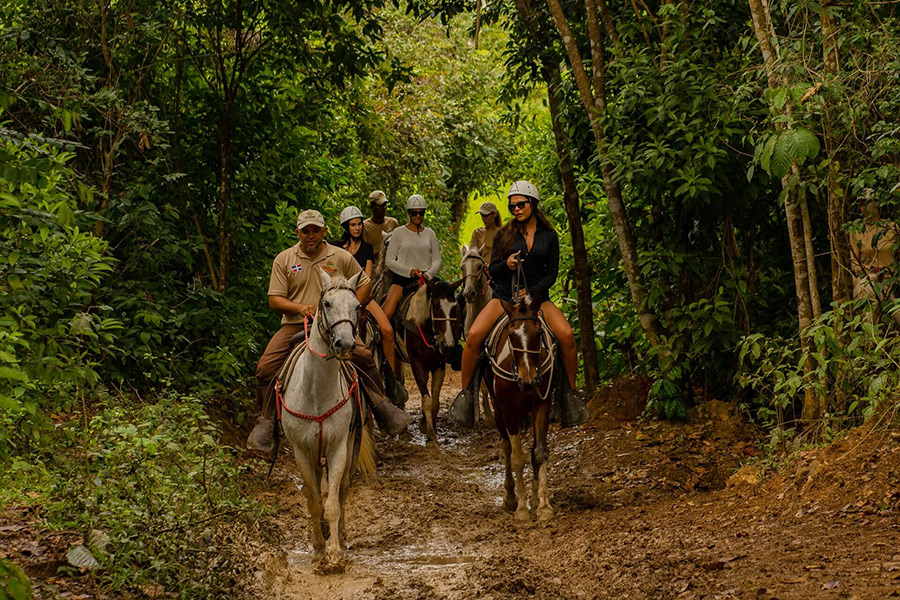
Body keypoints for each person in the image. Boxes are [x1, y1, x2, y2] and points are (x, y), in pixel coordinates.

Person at [247, 209, 411, 453]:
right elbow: (275, 299)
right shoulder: (284, 259)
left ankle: (382, 407)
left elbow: (364, 284)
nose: (310, 235)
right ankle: (267, 422)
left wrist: (351, 308)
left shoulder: (341, 256)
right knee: (265, 367)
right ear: (298, 233)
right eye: (306, 231)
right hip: (295, 324)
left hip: (336, 324)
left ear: (324, 232)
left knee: (364, 356)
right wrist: (300, 307)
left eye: (316, 230)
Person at [449, 180, 588, 428]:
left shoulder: (549, 236)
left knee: (567, 336)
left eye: (521, 204)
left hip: (537, 300)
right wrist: (509, 265)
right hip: (504, 298)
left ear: (533, 204)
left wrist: (532, 292)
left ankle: (569, 396)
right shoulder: (504, 234)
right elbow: (494, 270)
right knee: (472, 337)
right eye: (513, 206)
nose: (516, 209)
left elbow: (551, 275)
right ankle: (466, 398)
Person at [333, 205, 399, 384]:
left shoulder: (367, 248)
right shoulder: (337, 247)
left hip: (362, 294)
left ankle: (391, 378)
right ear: (346, 227)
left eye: (359, 224)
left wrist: (359, 293)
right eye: (353, 225)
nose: (357, 228)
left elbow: (367, 277)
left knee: (387, 330)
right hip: (340, 296)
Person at [381, 194, 442, 321]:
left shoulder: (430, 234)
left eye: (421, 213)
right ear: (409, 213)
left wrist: (428, 274)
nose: (418, 216)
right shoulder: (399, 233)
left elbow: (437, 259)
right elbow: (390, 261)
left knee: (447, 304)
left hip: (426, 278)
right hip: (402, 279)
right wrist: (409, 271)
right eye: (414, 213)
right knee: (386, 315)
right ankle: (380, 337)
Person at [363, 190, 400, 260]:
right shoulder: (365, 226)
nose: (384, 207)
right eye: (380, 205)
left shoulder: (393, 223)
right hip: (373, 268)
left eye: (385, 204)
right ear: (372, 207)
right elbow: (363, 253)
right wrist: (382, 252)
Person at [468, 201, 501, 265]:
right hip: (479, 270)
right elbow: (471, 253)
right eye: (482, 216)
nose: (484, 219)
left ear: (494, 214)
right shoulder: (477, 233)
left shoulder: (502, 233)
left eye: (486, 216)